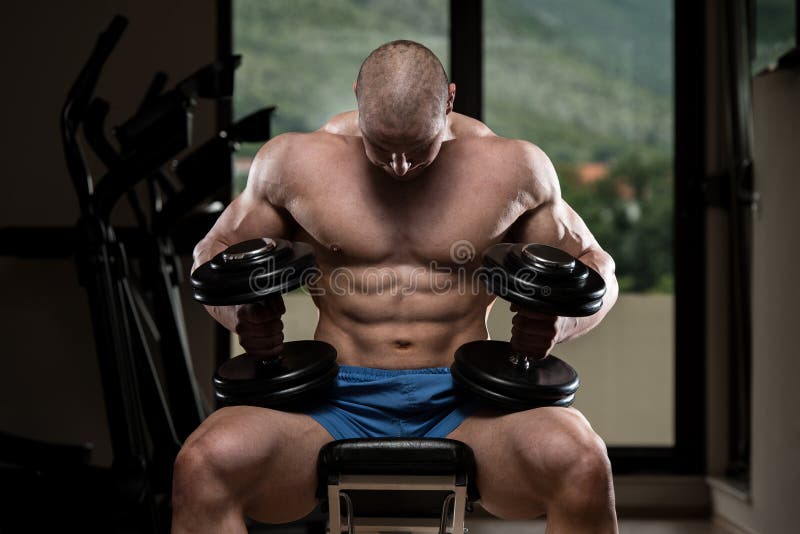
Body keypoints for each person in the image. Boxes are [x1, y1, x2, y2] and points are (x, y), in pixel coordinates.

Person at [173, 40, 619, 533]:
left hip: (469, 402)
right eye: (382, 147)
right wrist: (244, 319)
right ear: (357, 96)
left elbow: (596, 269)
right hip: (329, 401)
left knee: (583, 461)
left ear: (449, 101)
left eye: (417, 149)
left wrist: (558, 325)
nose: (400, 166)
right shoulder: (293, 164)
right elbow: (210, 259)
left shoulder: (513, 169)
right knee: (202, 464)